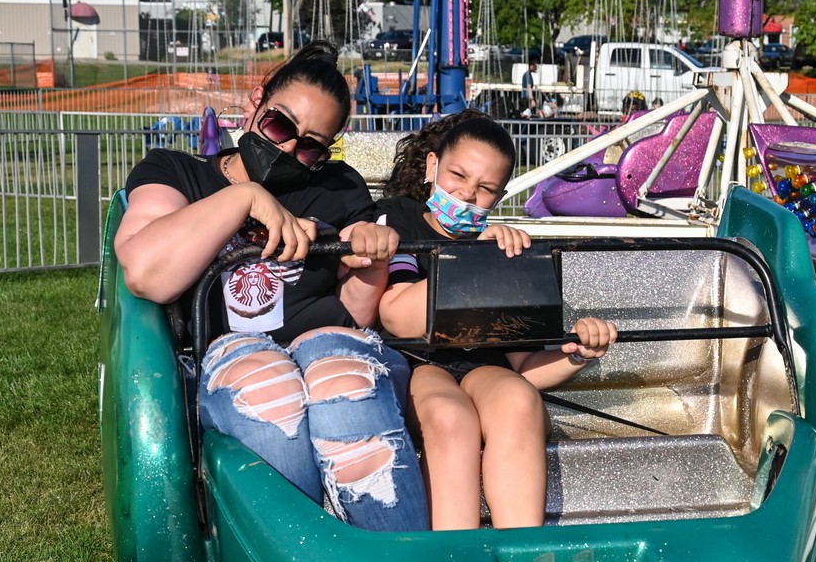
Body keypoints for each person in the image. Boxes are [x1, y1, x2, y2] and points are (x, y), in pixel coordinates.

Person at [114, 41, 427, 532]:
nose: (287, 149)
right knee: (265, 385)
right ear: (254, 102)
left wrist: (371, 260)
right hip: (231, 354)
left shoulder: (340, 188)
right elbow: (145, 272)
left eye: (310, 146)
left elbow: (357, 314)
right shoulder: (177, 173)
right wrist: (244, 198)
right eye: (279, 125)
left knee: (343, 381)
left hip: (328, 346)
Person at [377, 110, 617, 530]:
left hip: (484, 367)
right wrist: (472, 261)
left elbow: (527, 368)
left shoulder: (508, 248)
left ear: (501, 195)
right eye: (458, 176)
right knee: (451, 416)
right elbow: (397, 316)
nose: (467, 195)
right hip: (417, 363)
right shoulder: (398, 218)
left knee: (518, 401)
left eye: (486, 189)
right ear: (432, 166)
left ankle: (523, 554)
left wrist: (579, 353)